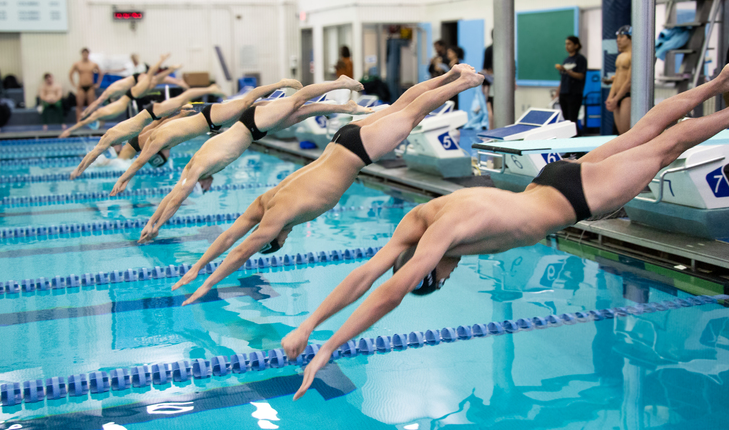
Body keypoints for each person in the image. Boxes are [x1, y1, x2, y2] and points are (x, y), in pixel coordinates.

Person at [283, 62, 729, 400]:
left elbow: (387, 290)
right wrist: (306, 326)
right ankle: (718, 84)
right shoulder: (418, 221)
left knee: (663, 148)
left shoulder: (440, 238)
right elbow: (366, 273)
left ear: (431, 272)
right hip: (549, 180)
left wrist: (327, 345)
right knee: (638, 135)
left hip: (574, 199)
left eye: (438, 278)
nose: (447, 277)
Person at [170, 66, 484, 305]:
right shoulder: (266, 201)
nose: (287, 234)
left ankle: (462, 82)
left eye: (281, 239)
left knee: (412, 112)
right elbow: (229, 235)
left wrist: (206, 284)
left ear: (274, 238)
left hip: (357, 152)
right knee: (402, 105)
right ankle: (452, 74)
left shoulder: (277, 217)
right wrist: (197, 266)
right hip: (340, 140)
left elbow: (239, 250)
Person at [136, 86, 376, 243]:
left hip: (252, 125)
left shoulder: (195, 172)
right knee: (301, 112)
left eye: (201, 187)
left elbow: (176, 200)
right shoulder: (193, 169)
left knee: (298, 101)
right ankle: (344, 107)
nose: (204, 188)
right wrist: (151, 223)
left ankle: (340, 84)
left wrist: (156, 226)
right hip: (253, 128)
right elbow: (171, 196)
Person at [69, 84, 225, 178]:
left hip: (150, 120)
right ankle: (208, 92)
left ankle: (209, 90)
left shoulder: (121, 137)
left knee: (180, 105)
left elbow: (94, 154)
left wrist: (79, 170)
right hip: (149, 120)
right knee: (177, 109)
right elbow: (157, 126)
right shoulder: (123, 133)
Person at [60, 62, 184, 138]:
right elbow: (94, 107)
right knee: (154, 79)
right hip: (133, 88)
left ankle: (172, 73)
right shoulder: (108, 103)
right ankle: (173, 74)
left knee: (153, 79)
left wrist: (72, 127)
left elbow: (90, 112)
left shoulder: (107, 100)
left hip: (133, 87)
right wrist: (85, 113)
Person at [80, 53, 173, 119]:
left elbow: (97, 103)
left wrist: (86, 112)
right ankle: (165, 65)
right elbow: (120, 70)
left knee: (152, 78)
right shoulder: (118, 93)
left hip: (136, 79)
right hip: (134, 84)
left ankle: (162, 60)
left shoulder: (109, 92)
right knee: (153, 81)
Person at [553, 36, 588, 124]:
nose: (567, 46)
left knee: (572, 119)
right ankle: (570, 136)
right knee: (566, 119)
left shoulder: (580, 59)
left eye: (569, 44)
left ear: (576, 45)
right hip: (563, 93)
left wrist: (568, 71)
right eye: (566, 44)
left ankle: (576, 136)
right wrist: (557, 92)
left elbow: (581, 76)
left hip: (574, 93)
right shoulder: (566, 60)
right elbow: (563, 79)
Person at [605, 25, 632, 134]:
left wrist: (616, 99)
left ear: (630, 38)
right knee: (620, 134)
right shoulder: (620, 56)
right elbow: (616, 79)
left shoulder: (634, 56)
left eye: (621, 37)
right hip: (616, 96)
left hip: (626, 97)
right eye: (617, 37)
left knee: (626, 133)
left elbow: (630, 81)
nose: (618, 40)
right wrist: (610, 98)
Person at [69, 48, 104, 121]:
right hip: (81, 87)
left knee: (91, 106)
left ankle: (91, 121)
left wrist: (97, 84)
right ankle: (79, 122)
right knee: (79, 105)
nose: (85, 55)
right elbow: (70, 74)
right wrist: (74, 84)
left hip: (90, 87)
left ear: (88, 54)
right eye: (84, 54)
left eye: (86, 54)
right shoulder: (77, 64)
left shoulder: (93, 64)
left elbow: (100, 73)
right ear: (82, 54)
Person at [481, 32, 494, 128]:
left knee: (491, 109)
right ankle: (491, 129)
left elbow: (485, 69)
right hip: (492, 84)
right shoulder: (489, 49)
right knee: (491, 109)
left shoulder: (488, 49)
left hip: (492, 85)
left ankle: (491, 129)